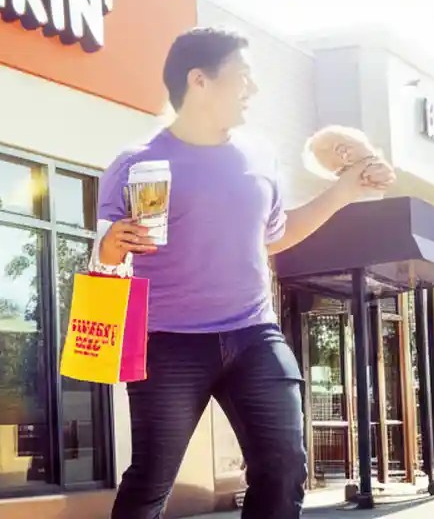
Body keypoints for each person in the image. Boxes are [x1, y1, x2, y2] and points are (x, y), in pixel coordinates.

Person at [96, 27, 395, 518]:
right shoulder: (137, 163)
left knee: (283, 467)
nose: (253, 89)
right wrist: (110, 245)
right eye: (244, 77)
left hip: (254, 333)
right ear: (200, 81)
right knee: (151, 477)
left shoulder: (259, 157)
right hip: (168, 342)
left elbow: (275, 234)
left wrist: (345, 189)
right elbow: (109, 255)